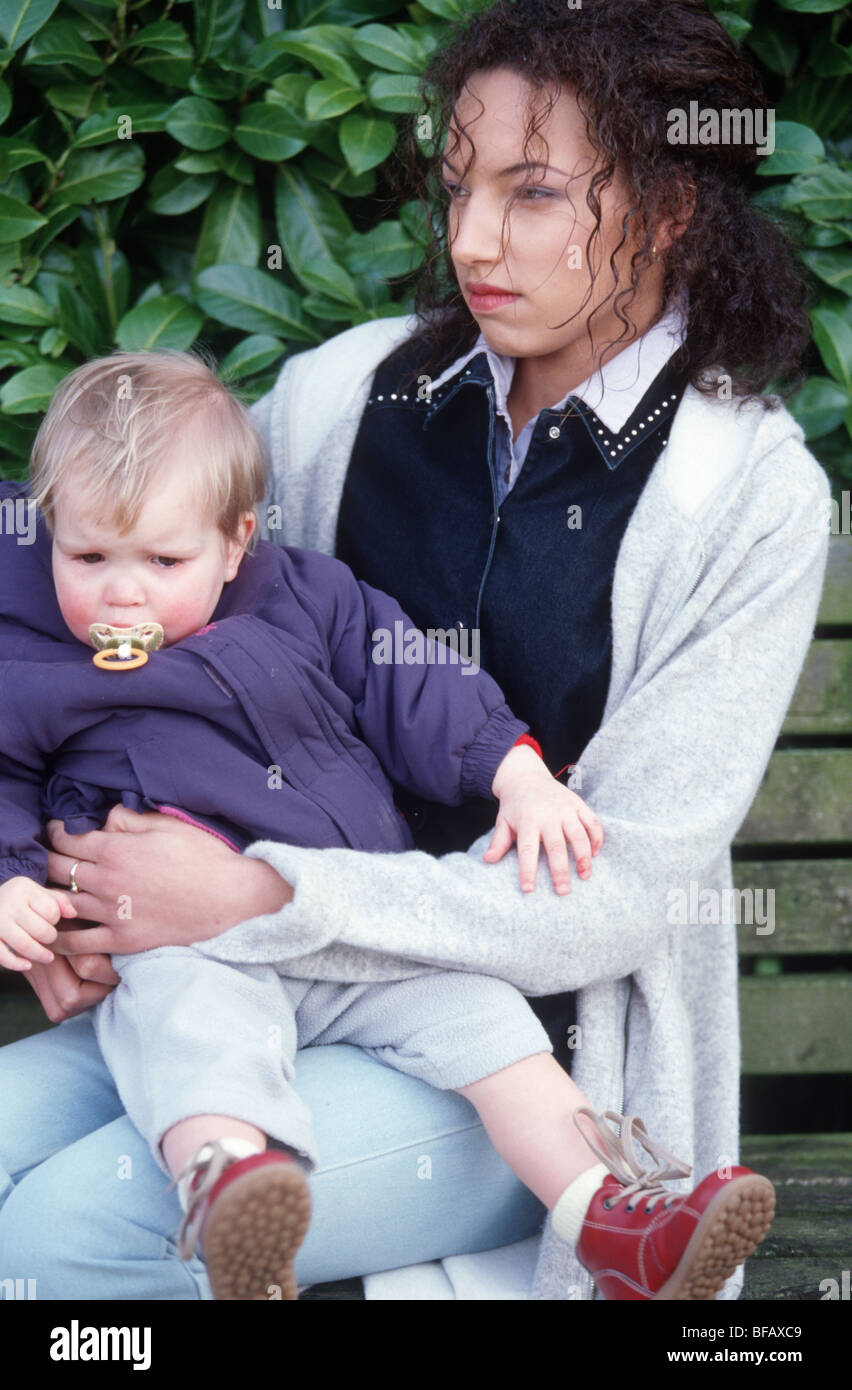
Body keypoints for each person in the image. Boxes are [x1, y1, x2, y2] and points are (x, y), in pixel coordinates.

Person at [0, 0, 830, 1301]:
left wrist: (271, 893)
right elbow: (110, 591)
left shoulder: (744, 495)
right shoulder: (348, 394)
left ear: (672, 209)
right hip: (225, 978)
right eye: (460, 185)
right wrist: (65, 868)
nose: (471, 238)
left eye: (535, 191)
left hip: (520, 1060)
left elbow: (630, 891)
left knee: (59, 1242)